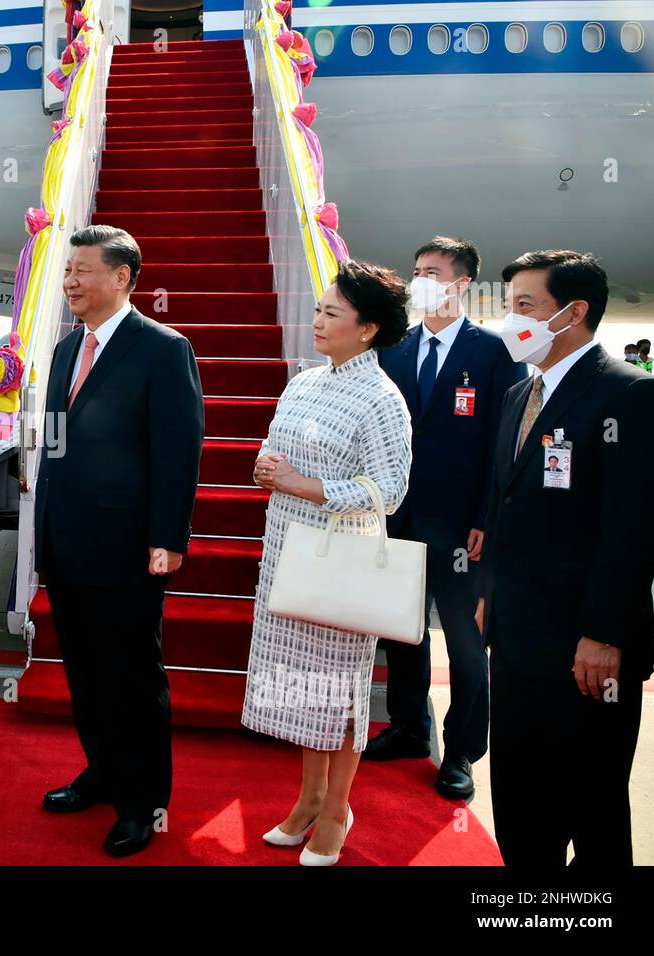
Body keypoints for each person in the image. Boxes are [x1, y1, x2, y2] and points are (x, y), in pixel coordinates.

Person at [477, 250, 654, 865]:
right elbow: (506, 504)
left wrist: (604, 634)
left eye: (525, 306)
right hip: (517, 642)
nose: (512, 320)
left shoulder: (630, 395)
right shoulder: (518, 395)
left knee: (593, 811)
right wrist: (489, 597)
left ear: (574, 312)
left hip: (586, 655)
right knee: (522, 807)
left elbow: (633, 528)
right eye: (510, 307)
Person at [34, 225, 204, 857]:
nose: (71, 282)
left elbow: (178, 451)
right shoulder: (61, 350)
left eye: (83, 271)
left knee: (131, 677)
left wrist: (168, 537)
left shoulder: (161, 349)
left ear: (123, 277)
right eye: (68, 272)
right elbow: (55, 437)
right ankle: (101, 772)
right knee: (83, 671)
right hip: (66, 540)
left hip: (129, 546)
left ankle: (142, 804)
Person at [244, 259, 412, 866]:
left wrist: (305, 484)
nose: (316, 321)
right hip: (288, 554)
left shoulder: (383, 399)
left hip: (340, 565)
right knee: (306, 693)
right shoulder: (304, 382)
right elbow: (277, 455)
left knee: (340, 694)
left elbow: (389, 489)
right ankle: (309, 798)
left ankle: (337, 809)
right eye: (317, 309)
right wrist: (269, 470)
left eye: (331, 313)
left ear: (368, 329)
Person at [368, 237, 525, 800]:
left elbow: (503, 443)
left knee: (465, 643)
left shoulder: (493, 353)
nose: (420, 281)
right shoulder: (395, 350)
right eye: (416, 272)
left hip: (464, 528)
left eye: (432, 272)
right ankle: (410, 728)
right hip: (401, 519)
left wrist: (487, 516)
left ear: (462, 284)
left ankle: (460, 749)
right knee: (405, 635)